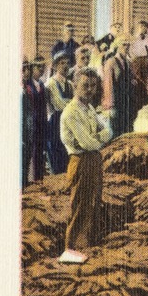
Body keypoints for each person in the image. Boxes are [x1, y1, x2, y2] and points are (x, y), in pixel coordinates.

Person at [60, 68, 113, 251]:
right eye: (85, 85)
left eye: (93, 86)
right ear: (75, 86)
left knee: (93, 202)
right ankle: (73, 247)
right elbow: (87, 143)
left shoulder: (89, 108)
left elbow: (109, 131)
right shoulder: (71, 112)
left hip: (94, 160)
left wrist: (99, 138)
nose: (90, 90)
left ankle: (89, 244)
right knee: (80, 206)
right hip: (80, 162)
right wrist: (100, 138)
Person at [44, 50, 74, 175]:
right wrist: (72, 104)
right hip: (56, 124)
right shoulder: (51, 83)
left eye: (67, 63)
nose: (65, 66)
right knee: (57, 157)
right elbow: (58, 104)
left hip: (68, 123)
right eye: (62, 63)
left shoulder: (70, 84)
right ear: (55, 66)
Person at [98, 33, 133, 139]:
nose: (126, 47)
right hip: (116, 104)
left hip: (127, 104)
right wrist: (110, 105)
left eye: (128, 45)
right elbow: (108, 84)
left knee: (128, 133)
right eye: (124, 45)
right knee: (116, 135)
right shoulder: (111, 62)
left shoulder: (128, 62)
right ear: (117, 46)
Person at [22, 58, 47, 185]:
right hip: (31, 122)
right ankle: (31, 179)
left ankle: (38, 177)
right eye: (38, 67)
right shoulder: (27, 86)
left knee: (40, 150)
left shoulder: (41, 85)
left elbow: (44, 106)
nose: (41, 70)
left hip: (41, 122)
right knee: (31, 151)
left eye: (43, 67)